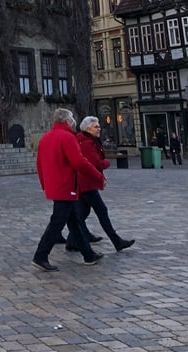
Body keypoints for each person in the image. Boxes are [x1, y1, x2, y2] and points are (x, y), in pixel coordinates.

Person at [32, 108, 105, 272]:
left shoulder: (46, 138)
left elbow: (39, 164)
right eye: (72, 118)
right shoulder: (67, 137)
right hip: (65, 186)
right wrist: (98, 176)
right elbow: (79, 162)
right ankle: (40, 256)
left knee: (75, 222)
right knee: (57, 222)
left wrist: (45, 184)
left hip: (55, 186)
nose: (74, 121)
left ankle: (88, 254)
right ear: (67, 121)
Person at [66, 116, 136, 253]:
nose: (99, 129)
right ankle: (116, 241)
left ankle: (72, 240)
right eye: (96, 127)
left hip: (83, 183)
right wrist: (106, 163)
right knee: (101, 211)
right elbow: (95, 163)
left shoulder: (86, 141)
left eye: (98, 126)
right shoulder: (87, 143)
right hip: (87, 183)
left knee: (81, 213)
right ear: (87, 129)